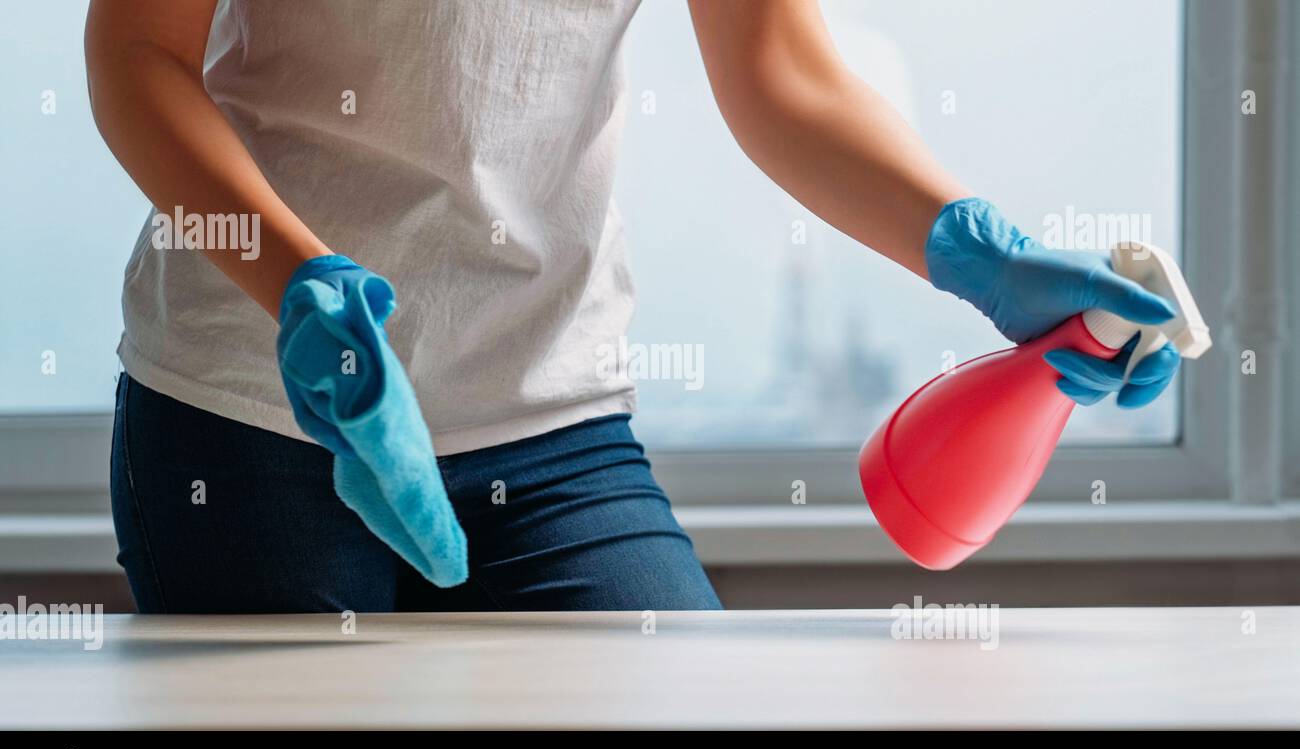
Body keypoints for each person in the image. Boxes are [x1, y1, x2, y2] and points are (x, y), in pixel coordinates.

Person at [85, 0, 1180, 614]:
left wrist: (979, 252)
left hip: (551, 422)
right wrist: (297, 287)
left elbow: (778, 68)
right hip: (250, 417)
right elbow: (137, 53)